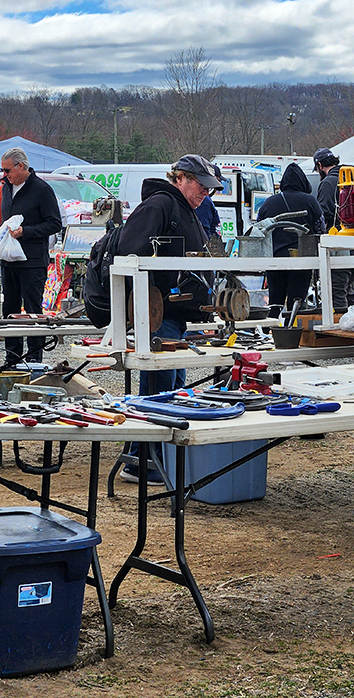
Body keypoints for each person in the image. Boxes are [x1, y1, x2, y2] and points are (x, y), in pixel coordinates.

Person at [116, 154, 222, 483]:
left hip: (173, 313)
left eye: (209, 187)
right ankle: (141, 462)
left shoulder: (185, 210)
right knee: (160, 389)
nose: (206, 192)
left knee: (170, 388)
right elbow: (129, 253)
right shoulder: (161, 205)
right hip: (159, 312)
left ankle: (147, 458)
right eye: (201, 185)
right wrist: (156, 295)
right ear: (180, 178)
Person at [0, 147, 62, 364]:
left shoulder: (42, 190)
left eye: (7, 170)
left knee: (33, 310)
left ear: (21, 166)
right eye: (3, 171)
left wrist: (26, 231)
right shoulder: (6, 188)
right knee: (10, 308)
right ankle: (12, 358)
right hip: (8, 259)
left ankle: (35, 359)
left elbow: (54, 223)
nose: (5, 175)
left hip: (32, 261)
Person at [257, 163, 325, 316]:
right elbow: (321, 229)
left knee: (275, 300)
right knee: (297, 301)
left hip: (275, 260)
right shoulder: (310, 201)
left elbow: (259, 231)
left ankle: (271, 332)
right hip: (302, 260)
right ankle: (293, 332)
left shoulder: (269, 203)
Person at [313, 147, 354, 312]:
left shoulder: (328, 183)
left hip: (337, 246)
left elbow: (323, 214)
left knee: (336, 291)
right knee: (349, 290)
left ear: (319, 165)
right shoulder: (351, 177)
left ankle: (340, 331)